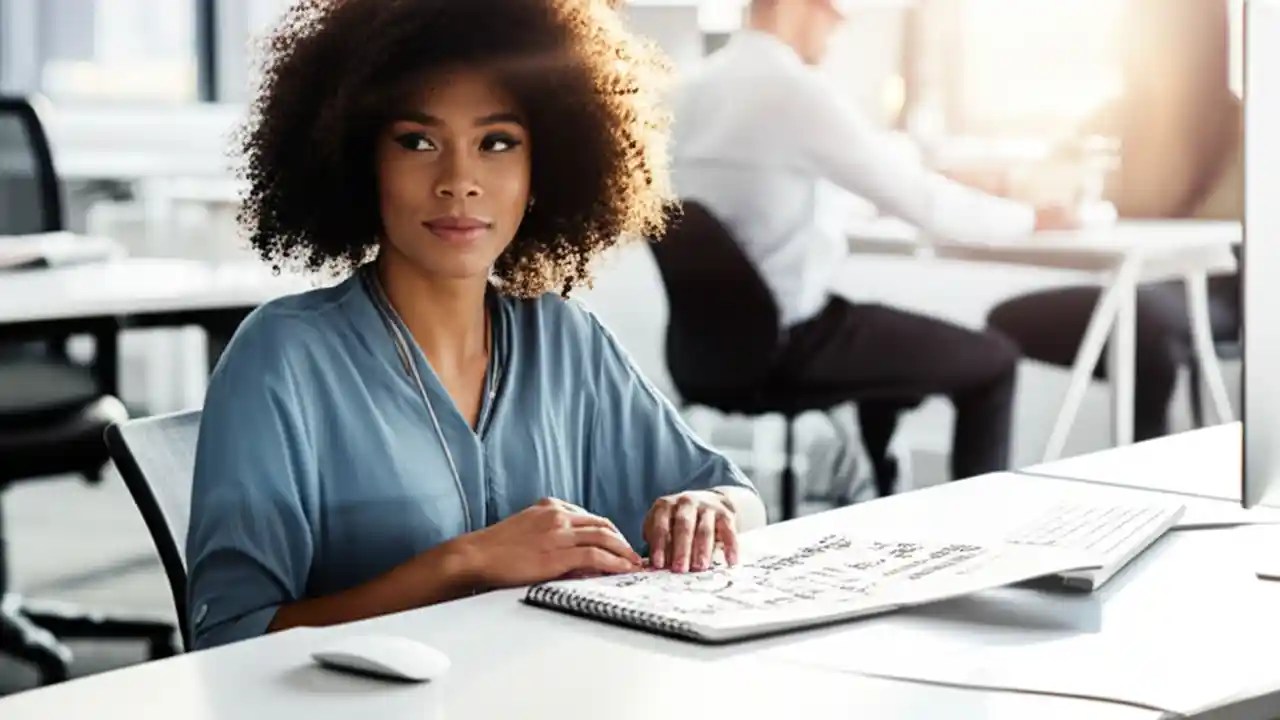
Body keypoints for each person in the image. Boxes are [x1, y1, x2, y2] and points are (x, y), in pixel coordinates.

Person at [185, 0, 765, 651]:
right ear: (357, 158)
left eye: (497, 143)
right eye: (418, 142)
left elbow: (738, 498)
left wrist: (707, 508)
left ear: (541, 167)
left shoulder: (566, 339)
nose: (459, 181)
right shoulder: (282, 359)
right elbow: (227, 638)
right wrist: (464, 563)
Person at [669, 0, 1076, 489]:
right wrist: (1032, 218)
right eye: (836, 17)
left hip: (703, 357)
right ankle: (985, 542)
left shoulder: (688, 93)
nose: (837, 31)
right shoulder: (794, 92)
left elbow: (760, 198)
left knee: (882, 349)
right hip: (789, 348)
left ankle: (880, 500)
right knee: (992, 362)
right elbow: (925, 203)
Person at [987, 0, 1242, 440]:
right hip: (1131, 283)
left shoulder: (1242, 123)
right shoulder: (1115, 117)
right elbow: (1049, 184)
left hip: (1214, 289)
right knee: (1005, 320)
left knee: (1143, 325)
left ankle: (1146, 467)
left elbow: (1219, 230)